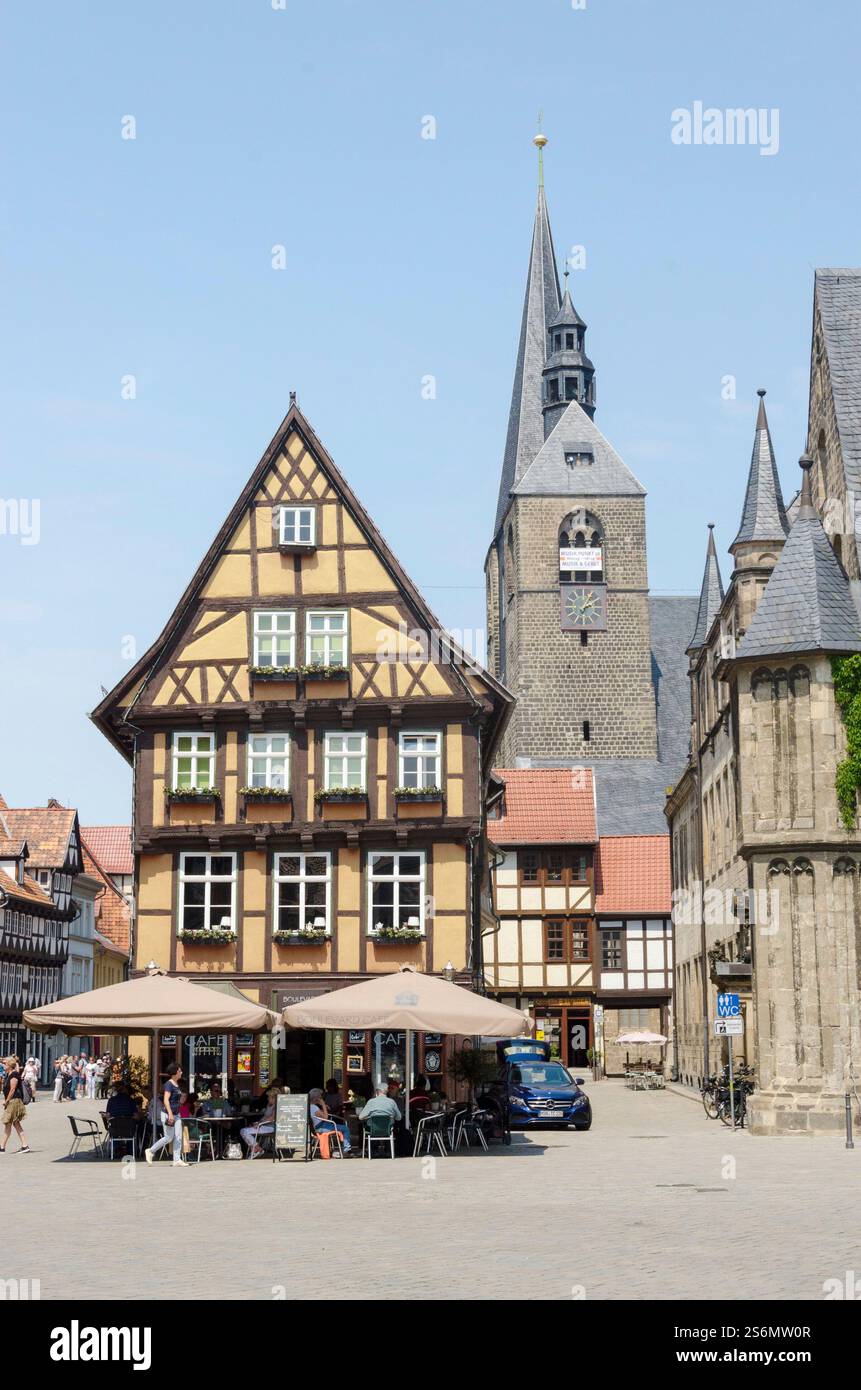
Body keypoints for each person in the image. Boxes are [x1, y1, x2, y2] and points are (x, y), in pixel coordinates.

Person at [144, 1065, 189, 1167]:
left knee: (178, 1137)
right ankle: (151, 1151)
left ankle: (177, 1159)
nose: (181, 1072)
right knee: (169, 1137)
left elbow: (176, 1100)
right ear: (175, 1073)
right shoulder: (169, 1084)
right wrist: (170, 1114)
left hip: (176, 1114)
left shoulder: (176, 1084)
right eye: (179, 1070)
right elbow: (165, 1100)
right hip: (168, 1114)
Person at [308, 1088, 353, 1156]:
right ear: (317, 1098)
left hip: (319, 1126)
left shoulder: (309, 1106)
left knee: (341, 1127)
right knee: (345, 1128)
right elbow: (326, 1117)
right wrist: (323, 1104)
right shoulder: (314, 1107)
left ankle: (344, 1148)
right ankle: (347, 1150)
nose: (322, 1098)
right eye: (320, 1097)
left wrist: (323, 1107)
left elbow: (320, 1115)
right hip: (322, 1127)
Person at [240, 1085, 280, 1158]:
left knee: (244, 1131)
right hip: (265, 1126)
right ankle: (256, 1148)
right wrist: (258, 1122)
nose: (267, 1099)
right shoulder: (269, 1105)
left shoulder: (277, 1106)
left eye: (269, 1097)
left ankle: (257, 1149)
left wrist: (260, 1123)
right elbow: (265, 1116)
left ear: (274, 1098)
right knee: (245, 1130)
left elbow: (272, 1118)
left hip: (271, 1127)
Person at [1, 1057, 30, 1154]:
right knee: (14, 1124)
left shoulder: (14, 1074)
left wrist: (7, 1100)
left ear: (9, 1065)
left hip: (14, 1101)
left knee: (9, 1123)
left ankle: (2, 1147)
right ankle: (24, 1145)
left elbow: (12, 1089)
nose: (3, 1065)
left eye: (5, 1064)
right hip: (12, 1101)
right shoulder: (9, 1074)